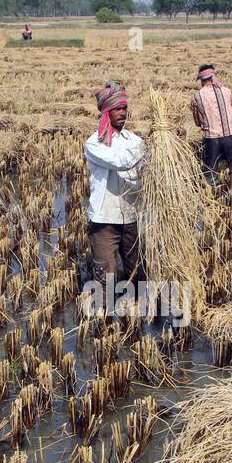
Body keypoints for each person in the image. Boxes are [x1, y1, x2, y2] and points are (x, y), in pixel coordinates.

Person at [84, 81, 146, 299]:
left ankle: (136, 322)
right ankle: (105, 324)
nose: (122, 113)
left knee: (137, 273)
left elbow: (146, 170)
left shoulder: (135, 140)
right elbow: (121, 162)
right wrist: (151, 147)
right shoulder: (94, 144)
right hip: (104, 220)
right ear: (106, 112)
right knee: (104, 279)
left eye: (124, 108)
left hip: (131, 216)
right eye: (117, 109)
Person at [189, 64, 232, 194]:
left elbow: (197, 122)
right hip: (231, 135)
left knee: (210, 169)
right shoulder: (227, 91)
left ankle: (212, 194)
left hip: (211, 139)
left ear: (201, 79)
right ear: (214, 76)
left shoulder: (197, 96)